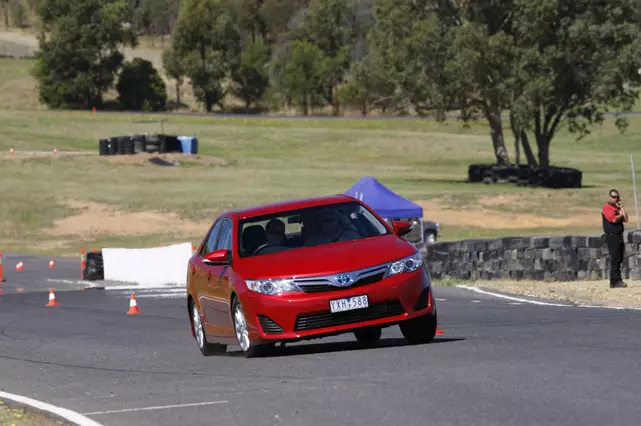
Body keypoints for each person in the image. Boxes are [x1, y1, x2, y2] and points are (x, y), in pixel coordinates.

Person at [602, 189, 628, 288]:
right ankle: (614, 281)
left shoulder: (617, 208)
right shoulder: (607, 208)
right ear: (610, 197)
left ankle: (618, 279)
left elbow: (626, 219)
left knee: (619, 258)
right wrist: (620, 215)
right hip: (612, 236)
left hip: (619, 235)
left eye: (617, 197)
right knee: (615, 258)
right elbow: (613, 219)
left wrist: (622, 208)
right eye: (613, 197)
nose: (616, 199)